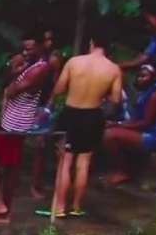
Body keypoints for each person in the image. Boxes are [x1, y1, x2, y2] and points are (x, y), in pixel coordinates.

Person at [41, 29, 123, 219]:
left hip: (72, 113)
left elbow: (59, 89)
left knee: (65, 161)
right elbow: (116, 99)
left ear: (92, 43)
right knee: (83, 162)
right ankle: (77, 206)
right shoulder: (113, 69)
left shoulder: (74, 62)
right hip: (93, 115)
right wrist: (101, 93)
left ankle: (60, 207)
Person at [0, 33, 50, 223]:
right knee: (9, 166)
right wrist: (15, 71)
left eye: (29, 49)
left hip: (16, 124)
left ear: (40, 47)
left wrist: (15, 70)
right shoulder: (30, 67)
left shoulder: (40, 68)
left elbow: (11, 91)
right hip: (11, 121)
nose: (25, 53)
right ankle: (4, 210)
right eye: (24, 49)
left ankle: (1, 205)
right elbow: (9, 84)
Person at [103, 64, 156, 186]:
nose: (140, 78)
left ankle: (123, 171)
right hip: (145, 131)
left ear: (154, 78)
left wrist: (119, 126)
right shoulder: (145, 93)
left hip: (155, 135)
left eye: (144, 76)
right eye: (139, 76)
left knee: (109, 135)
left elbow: (146, 123)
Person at [29, 28, 65, 199]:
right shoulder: (31, 57)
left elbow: (57, 87)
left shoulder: (54, 59)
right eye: (46, 40)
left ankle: (37, 185)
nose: (49, 43)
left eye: (51, 39)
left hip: (44, 108)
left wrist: (48, 108)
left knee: (41, 146)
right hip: (28, 106)